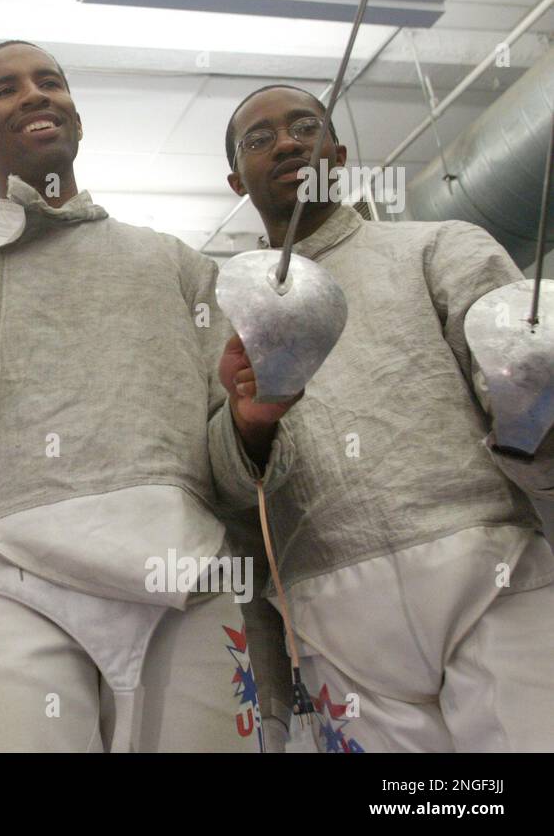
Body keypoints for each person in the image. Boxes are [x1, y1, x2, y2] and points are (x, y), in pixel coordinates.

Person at [0, 40, 264, 752]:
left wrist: (252, 426)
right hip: (10, 588)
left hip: (188, 579)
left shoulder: (178, 264)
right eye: (5, 89)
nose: (33, 94)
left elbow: (231, 459)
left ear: (78, 120)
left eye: (49, 81)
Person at [215, 83, 554, 752]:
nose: (285, 142)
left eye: (303, 127)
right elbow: (226, 488)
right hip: (331, 608)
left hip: (488, 568)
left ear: (337, 154)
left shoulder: (439, 244)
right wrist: (249, 422)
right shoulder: (220, 314)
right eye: (260, 139)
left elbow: (524, 400)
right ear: (235, 179)